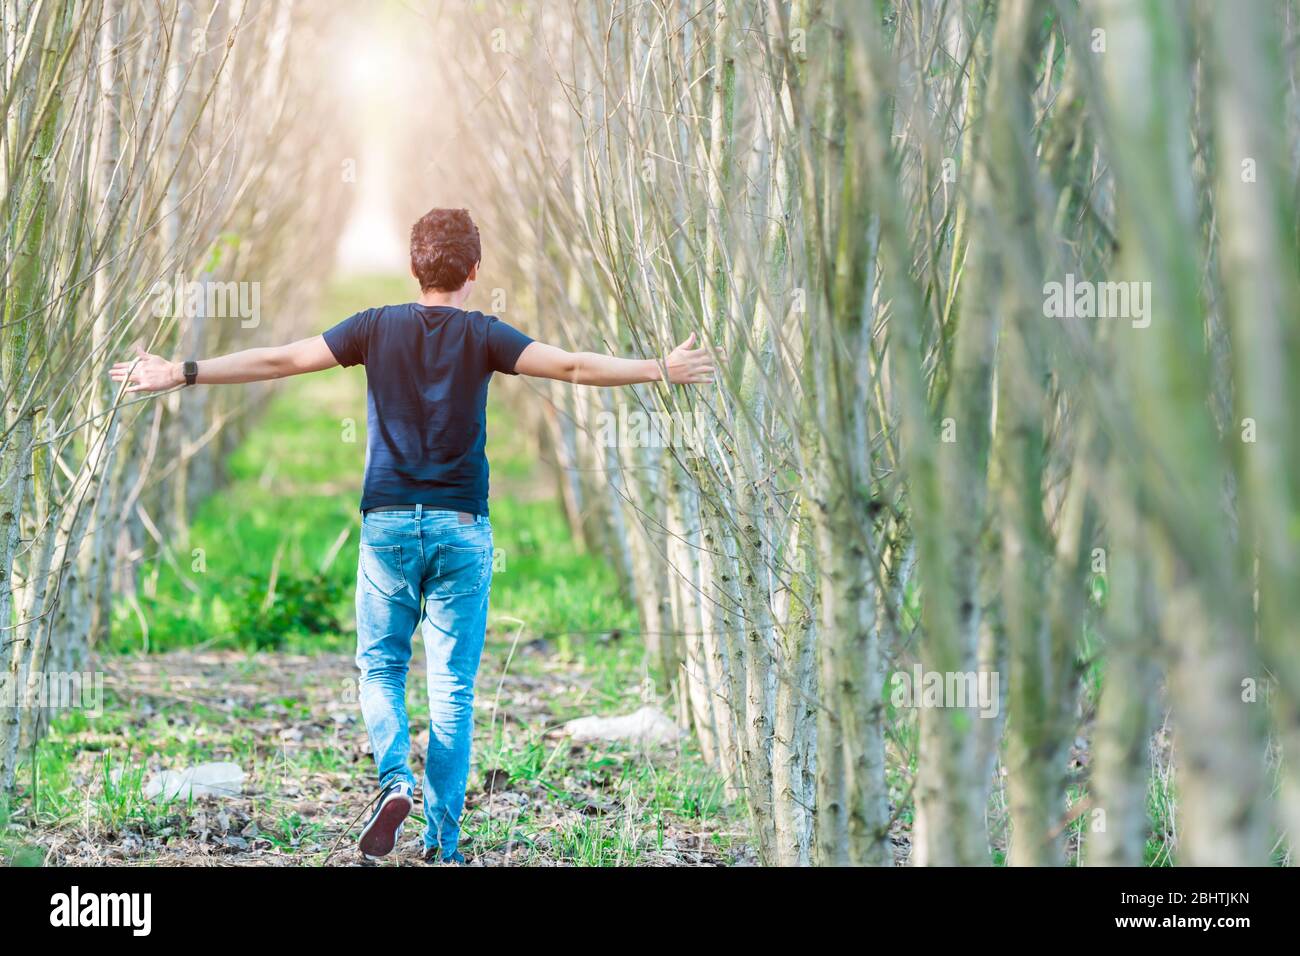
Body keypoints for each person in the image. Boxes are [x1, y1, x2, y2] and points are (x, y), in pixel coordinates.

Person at [111, 207, 714, 863]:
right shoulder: (485, 335)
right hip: (462, 527)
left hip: (389, 524)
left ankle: (395, 778)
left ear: (412, 267)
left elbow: (281, 360)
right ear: (474, 270)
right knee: (452, 691)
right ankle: (443, 846)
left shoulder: (375, 326)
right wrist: (660, 367)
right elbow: (571, 367)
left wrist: (182, 371)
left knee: (380, 667)